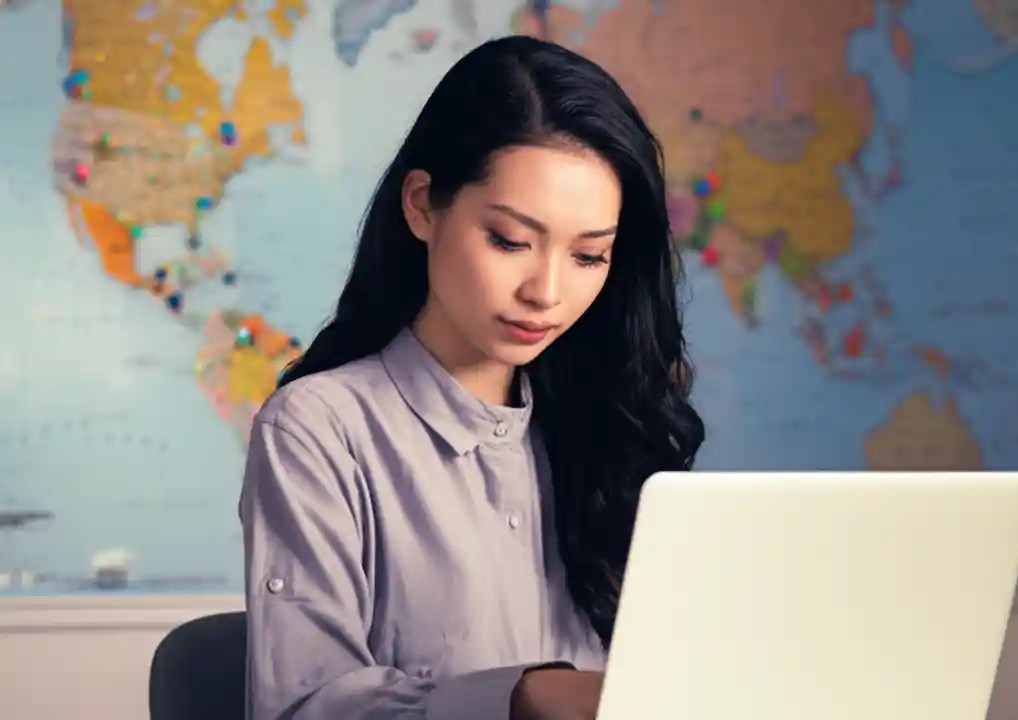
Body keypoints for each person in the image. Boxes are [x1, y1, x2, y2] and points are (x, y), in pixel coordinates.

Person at [237, 35, 705, 720]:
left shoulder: (610, 424)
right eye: (511, 241)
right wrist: (527, 696)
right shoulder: (320, 427)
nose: (546, 291)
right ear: (424, 205)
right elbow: (305, 707)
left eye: (589, 256)